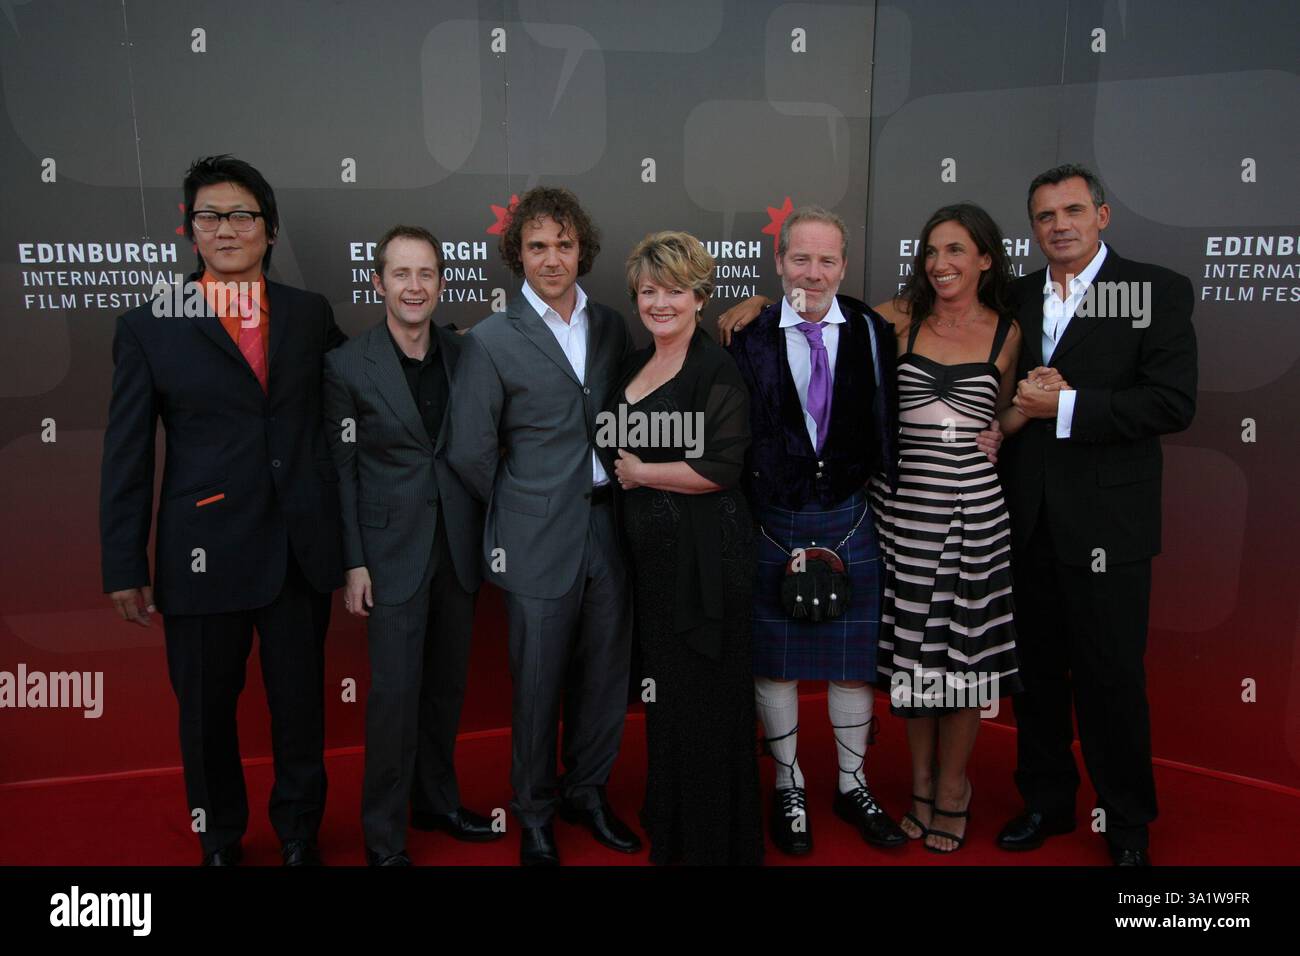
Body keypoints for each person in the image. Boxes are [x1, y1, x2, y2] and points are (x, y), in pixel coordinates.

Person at [100, 155, 344, 866]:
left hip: (300, 545)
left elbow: (358, 389)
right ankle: (220, 838)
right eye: (210, 215)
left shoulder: (308, 313)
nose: (226, 228)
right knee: (205, 715)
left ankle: (301, 833)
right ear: (191, 230)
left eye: (243, 215)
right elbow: (127, 453)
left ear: (269, 230)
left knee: (300, 707)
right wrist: (123, 560)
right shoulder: (149, 325)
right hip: (200, 551)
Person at [994, 164, 1197, 866]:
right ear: (1033, 226)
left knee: (1112, 678)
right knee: (1036, 677)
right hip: (1024, 522)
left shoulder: (1156, 292)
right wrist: (756, 305)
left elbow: (1172, 402)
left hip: (1110, 527)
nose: (1060, 225)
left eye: (1073, 210)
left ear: (1102, 216)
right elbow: (924, 311)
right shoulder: (1012, 295)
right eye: (1045, 215)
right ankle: (1046, 804)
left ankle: (1127, 823)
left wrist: (1068, 405)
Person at [447, 186, 641, 866]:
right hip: (533, 538)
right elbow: (470, 451)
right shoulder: (493, 339)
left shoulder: (612, 325)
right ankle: (533, 811)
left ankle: (586, 792)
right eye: (537, 246)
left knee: (606, 674)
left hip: (608, 529)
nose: (552, 258)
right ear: (516, 255)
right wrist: (523, 502)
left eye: (563, 244)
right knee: (535, 682)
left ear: (581, 247)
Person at [725, 206, 907, 855]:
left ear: (844, 266)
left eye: (827, 259)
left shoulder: (871, 330)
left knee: (852, 668)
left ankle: (852, 784)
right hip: (772, 520)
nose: (813, 271)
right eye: (799, 258)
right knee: (774, 668)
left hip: (850, 514)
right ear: (778, 262)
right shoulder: (744, 338)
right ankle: (789, 784)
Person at [323, 225, 502, 866]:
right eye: (401, 274)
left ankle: (437, 801)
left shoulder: (465, 352)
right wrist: (354, 561)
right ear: (378, 283)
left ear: (441, 281)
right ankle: (384, 837)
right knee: (394, 698)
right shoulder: (347, 365)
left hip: (456, 548)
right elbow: (340, 472)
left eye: (426, 273)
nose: (415, 286)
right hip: (388, 555)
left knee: (445, 690)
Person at [869, 203, 1024, 853]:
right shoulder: (898, 318)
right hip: (905, 517)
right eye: (932, 252)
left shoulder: (1009, 332)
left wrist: (1007, 425)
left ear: (986, 258)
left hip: (974, 519)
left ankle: (954, 789)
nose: (941, 265)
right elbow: (815, 321)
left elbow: (1014, 411)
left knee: (964, 664)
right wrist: (761, 303)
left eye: (957, 251)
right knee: (916, 664)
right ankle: (923, 783)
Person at [606, 231, 763, 865]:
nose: (661, 303)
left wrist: (643, 473)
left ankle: (709, 841)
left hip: (708, 561)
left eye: (675, 290)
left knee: (706, 700)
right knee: (667, 698)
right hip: (653, 564)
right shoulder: (631, 365)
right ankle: (671, 815)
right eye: (649, 291)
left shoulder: (713, 366)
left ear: (700, 297)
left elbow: (723, 466)